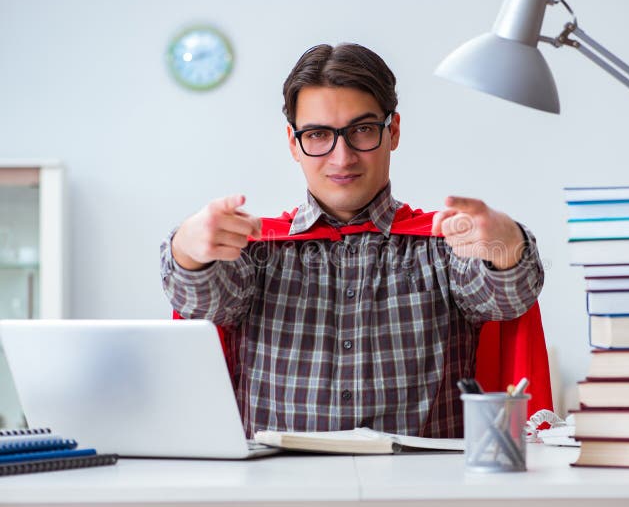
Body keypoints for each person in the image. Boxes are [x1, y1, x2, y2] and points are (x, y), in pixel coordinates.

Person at [160, 43, 544, 439]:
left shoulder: (446, 246)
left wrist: (507, 244)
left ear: (392, 131)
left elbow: (508, 297)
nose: (341, 158)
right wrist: (187, 250)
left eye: (362, 130)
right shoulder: (254, 250)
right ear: (294, 143)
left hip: (419, 493)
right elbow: (202, 304)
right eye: (318, 134)